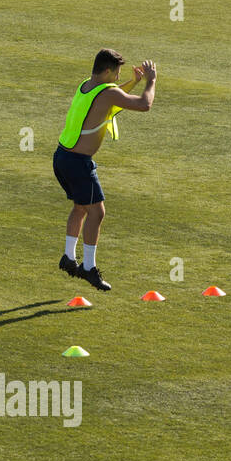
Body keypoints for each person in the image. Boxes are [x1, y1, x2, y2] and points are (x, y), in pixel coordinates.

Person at [53, 49, 156, 292]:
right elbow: (144, 105)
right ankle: (89, 268)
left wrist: (132, 82)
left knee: (80, 208)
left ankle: (68, 257)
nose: (119, 76)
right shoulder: (108, 93)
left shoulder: (86, 85)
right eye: (118, 72)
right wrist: (151, 81)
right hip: (79, 163)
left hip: (61, 157)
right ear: (108, 71)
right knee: (97, 213)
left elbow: (110, 95)